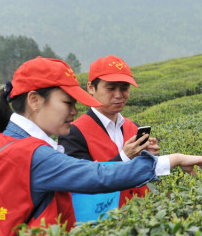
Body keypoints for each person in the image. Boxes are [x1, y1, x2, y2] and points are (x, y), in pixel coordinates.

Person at [0, 57, 202, 236]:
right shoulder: (32, 153)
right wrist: (173, 160)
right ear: (35, 100)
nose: (74, 112)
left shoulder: (11, 141)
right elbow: (99, 176)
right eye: (68, 103)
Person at [59, 56, 157, 209]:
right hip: (105, 221)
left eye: (124, 88)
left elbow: (146, 175)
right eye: (111, 88)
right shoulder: (73, 133)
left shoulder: (133, 127)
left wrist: (151, 158)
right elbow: (82, 183)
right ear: (91, 88)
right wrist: (124, 157)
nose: (119, 95)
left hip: (143, 214)